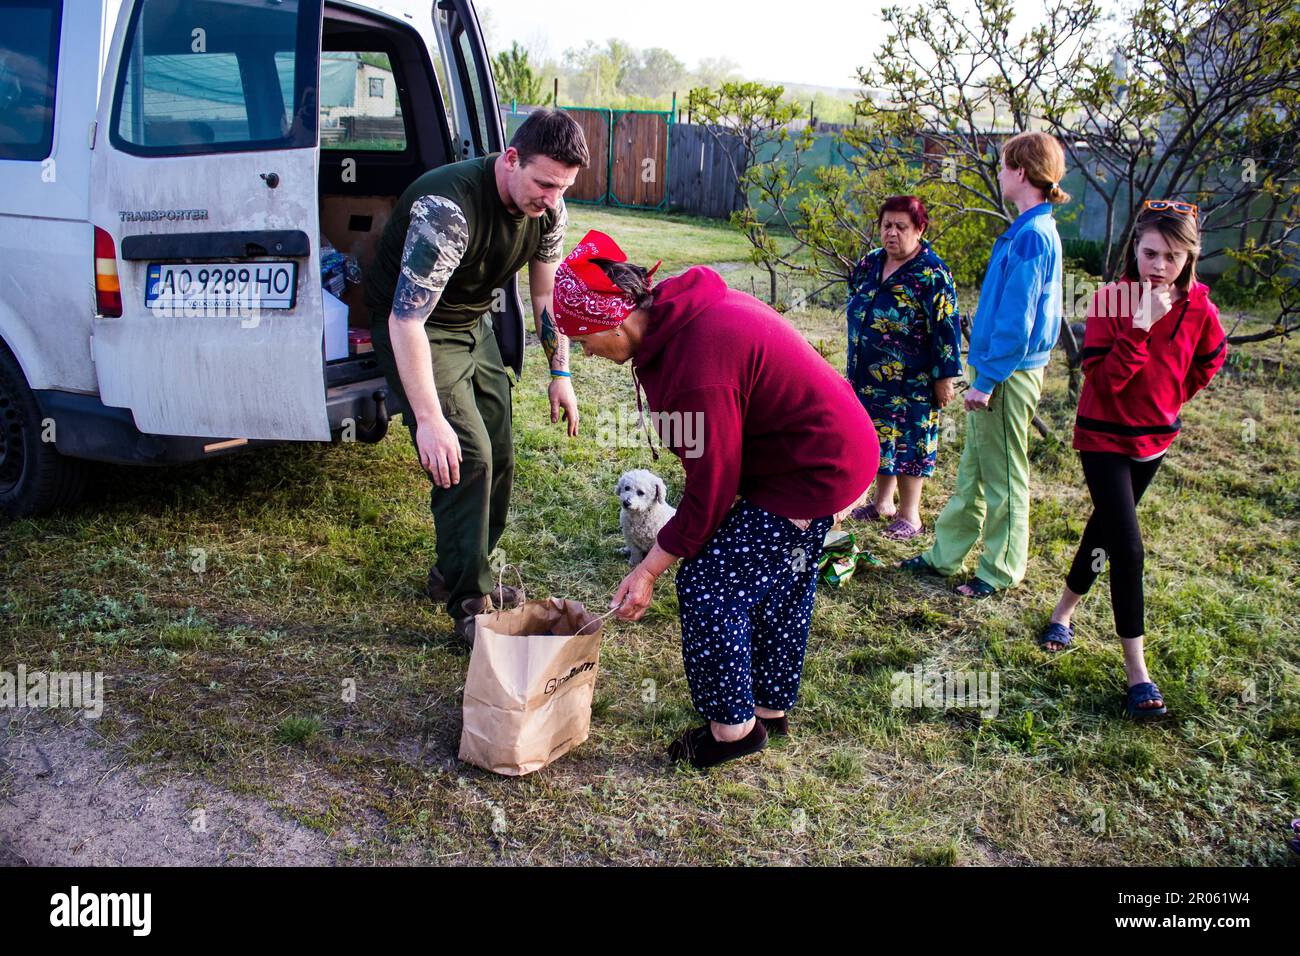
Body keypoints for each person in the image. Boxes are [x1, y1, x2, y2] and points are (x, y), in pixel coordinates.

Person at [552, 230, 877, 769]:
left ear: (612, 319)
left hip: (814, 469)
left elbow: (712, 489)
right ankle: (771, 709)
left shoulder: (696, 365)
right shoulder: (678, 316)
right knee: (783, 577)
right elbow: (714, 465)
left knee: (709, 582)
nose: (585, 352)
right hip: (827, 447)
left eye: (582, 339)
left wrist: (651, 569)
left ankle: (734, 732)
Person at [363, 109, 589, 642]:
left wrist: (561, 372)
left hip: (473, 321)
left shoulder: (549, 210)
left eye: (563, 188)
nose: (552, 199)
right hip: (415, 326)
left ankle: (460, 567)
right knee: (466, 454)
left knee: (502, 450)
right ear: (511, 160)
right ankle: (471, 599)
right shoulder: (450, 210)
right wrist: (427, 419)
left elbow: (543, 294)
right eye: (544, 184)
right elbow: (406, 318)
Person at [1038, 200, 1226, 720]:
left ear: (1189, 256)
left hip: (1154, 442)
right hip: (1101, 439)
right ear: (1134, 250)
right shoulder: (1109, 301)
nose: (1159, 265)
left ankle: (1062, 613)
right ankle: (1137, 674)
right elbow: (1103, 381)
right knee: (1129, 547)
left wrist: (1172, 397)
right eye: (1149, 253)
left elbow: (1210, 359)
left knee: (1103, 531)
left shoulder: (1200, 310)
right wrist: (1142, 324)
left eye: (1171, 256)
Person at [901, 131, 1068, 597]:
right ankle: (944, 557)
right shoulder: (1025, 230)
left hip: (1008, 375)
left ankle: (999, 571)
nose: (998, 173)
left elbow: (1019, 321)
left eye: (1002, 166)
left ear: (1021, 171)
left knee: (1005, 476)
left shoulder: (1034, 236)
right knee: (974, 469)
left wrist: (989, 379)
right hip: (994, 370)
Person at [846, 195, 962, 540]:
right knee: (876, 437)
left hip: (913, 381)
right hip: (867, 374)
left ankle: (911, 515)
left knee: (910, 443)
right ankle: (883, 503)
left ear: (919, 229)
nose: (891, 233)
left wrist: (945, 378)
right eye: (886, 226)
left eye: (901, 226)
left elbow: (946, 328)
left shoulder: (932, 274)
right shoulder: (870, 263)